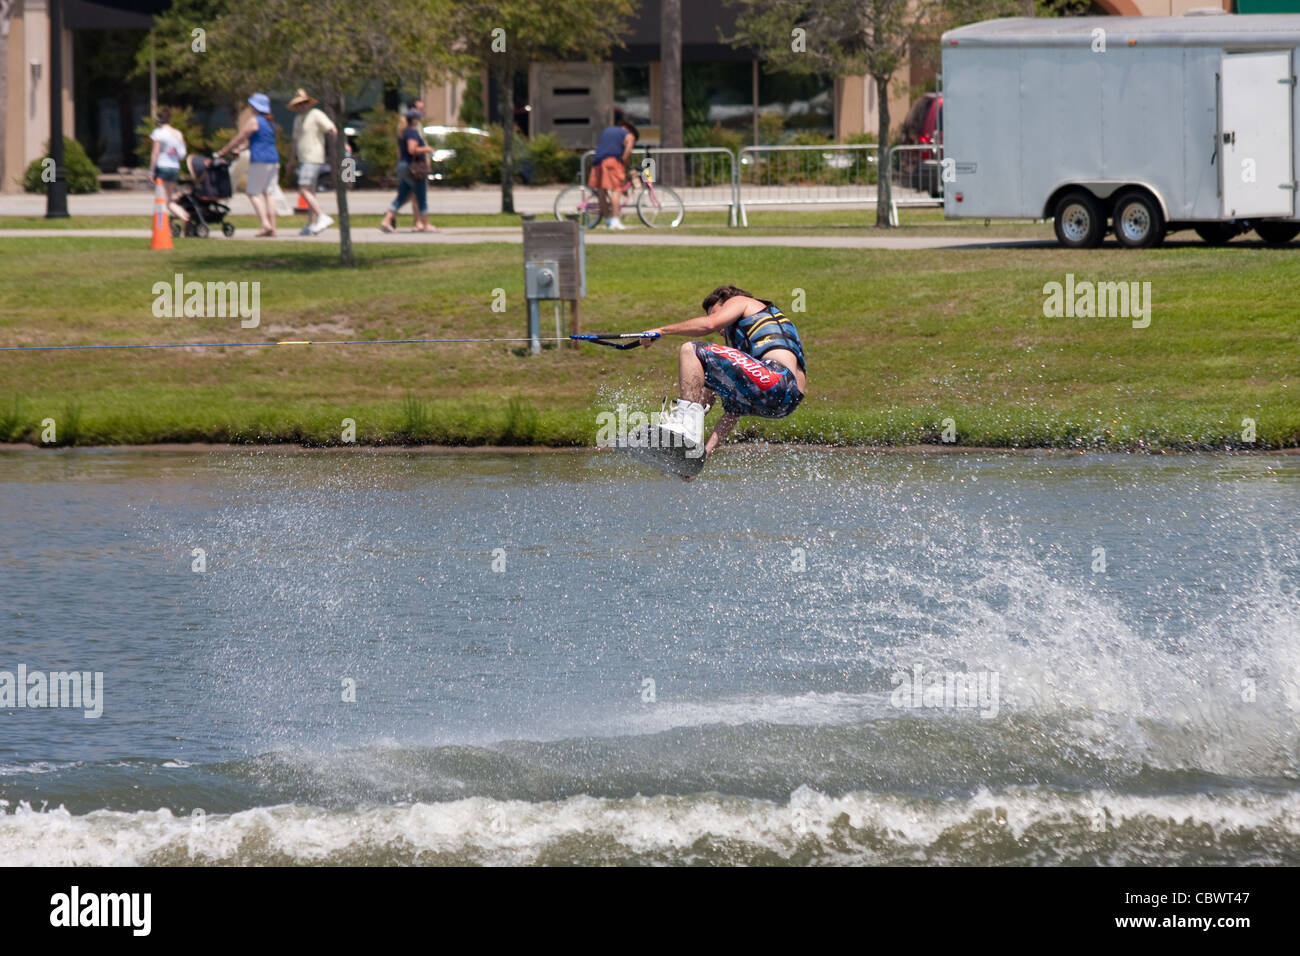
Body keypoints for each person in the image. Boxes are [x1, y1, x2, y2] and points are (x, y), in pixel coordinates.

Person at [638, 285, 806, 479]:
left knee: (690, 350)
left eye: (717, 313)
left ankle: (685, 426)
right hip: (785, 403)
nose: (719, 329)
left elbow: (709, 325)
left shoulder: (741, 301)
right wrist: (702, 457)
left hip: (776, 378)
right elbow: (732, 414)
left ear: (725, 303)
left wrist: (660, 331)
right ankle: (686, 437)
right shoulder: (751, 355)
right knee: (707, 379)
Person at [216, 92, 280, 237]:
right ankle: (273, 227)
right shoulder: (270, 122)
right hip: (273, 160)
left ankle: (265, 224)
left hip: (260, 159)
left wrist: (224, 150)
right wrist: (241, 149)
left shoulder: (255, 120)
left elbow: (240, 137)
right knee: (269, 193)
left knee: (253, 192)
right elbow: (257, 141)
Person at [286, 88, 337, 236]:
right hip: (303, 158)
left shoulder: (316, 114)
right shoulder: (297, 120)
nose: (302, 106)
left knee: (303, 188)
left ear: (309, 103)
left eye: (304, 103)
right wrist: (291, 160)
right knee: (311, 191)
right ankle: (312, 223)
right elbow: (295, 142)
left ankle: (322, 216)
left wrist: (339, 147)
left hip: (313, 157)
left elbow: (331, 128)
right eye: (299, 104)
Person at [379, 108, 436, 233]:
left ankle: (387, 220)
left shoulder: (403, 132)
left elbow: (399, 152)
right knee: (421, 195)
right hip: (413, 168)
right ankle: (425, 224)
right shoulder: (411, 133)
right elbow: (412, 149)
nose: (419, 120)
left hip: (403, 165)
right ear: (414, 120)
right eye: (418, 118)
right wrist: (427, 149)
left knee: (402, 195)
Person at [588, 115, 637, 229]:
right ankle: (615, 220)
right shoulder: (629, 135)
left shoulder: (607, 131)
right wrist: (624, 166)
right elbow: (626, 153)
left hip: (597, 162)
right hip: (612, 162)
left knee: (601, 191)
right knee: (616, 191)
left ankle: (608, 219)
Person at [148, 107, 189, 224]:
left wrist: (151, 170)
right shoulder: (178, 133)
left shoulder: (159, 133)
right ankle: (183, 216)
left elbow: (155, 153)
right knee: (169, 198)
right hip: (174, 167)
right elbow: (182, 153)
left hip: (162, 167)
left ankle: (180, 218)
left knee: (164, 200)